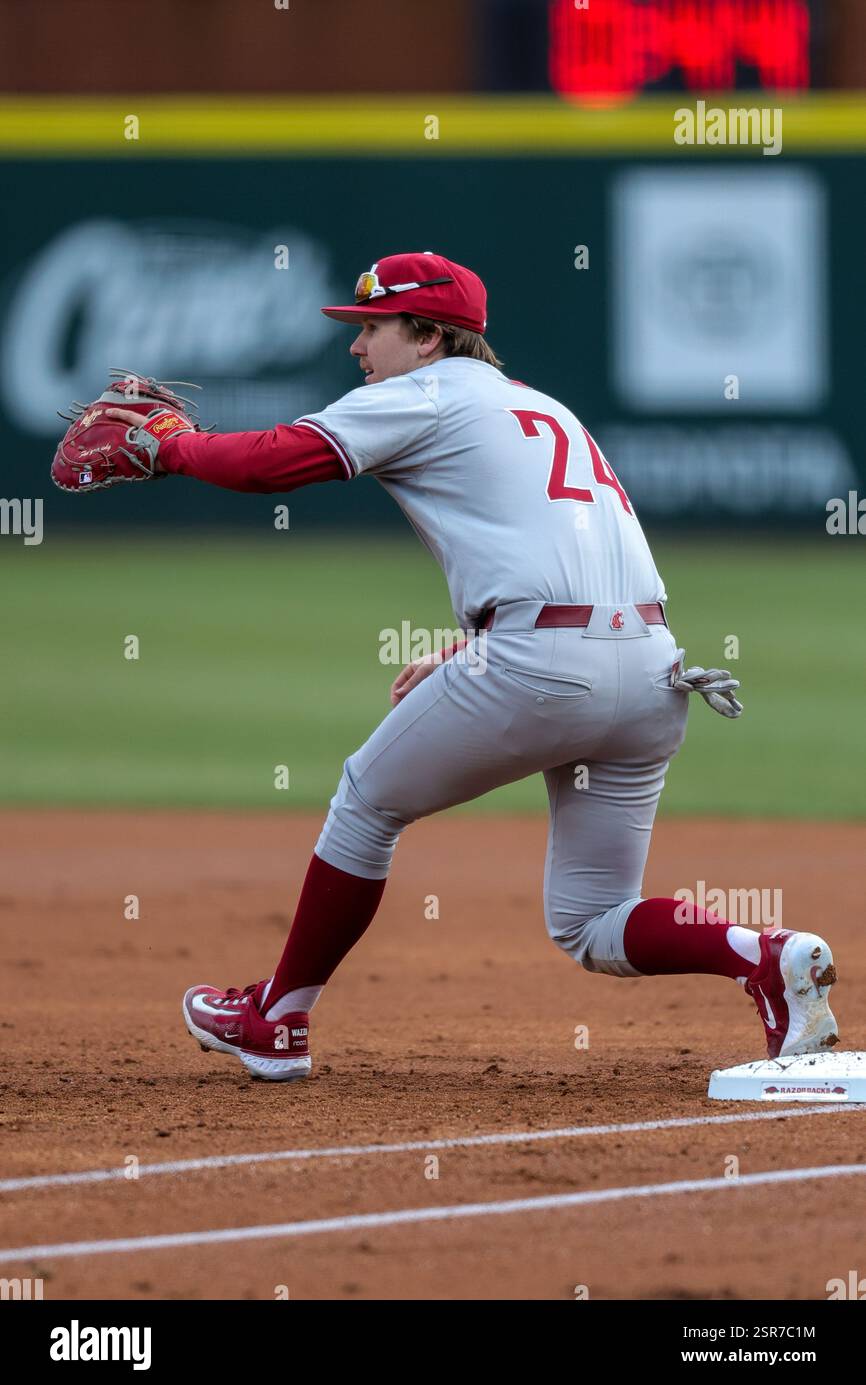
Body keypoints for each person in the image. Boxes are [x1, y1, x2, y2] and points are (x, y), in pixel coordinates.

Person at [104, 251, 839, 1082]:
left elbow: (269, 463)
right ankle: (764, 953)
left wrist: (172, 445)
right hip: (652, 673)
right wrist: (481, 640)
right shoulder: (544, 408)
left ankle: (277, 1019)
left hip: (541, 666)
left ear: (427, 337)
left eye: (373, 328)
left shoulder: (423, 392)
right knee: (593, 920)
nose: (358, 349)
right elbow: (573, 556)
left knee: (365, 800)